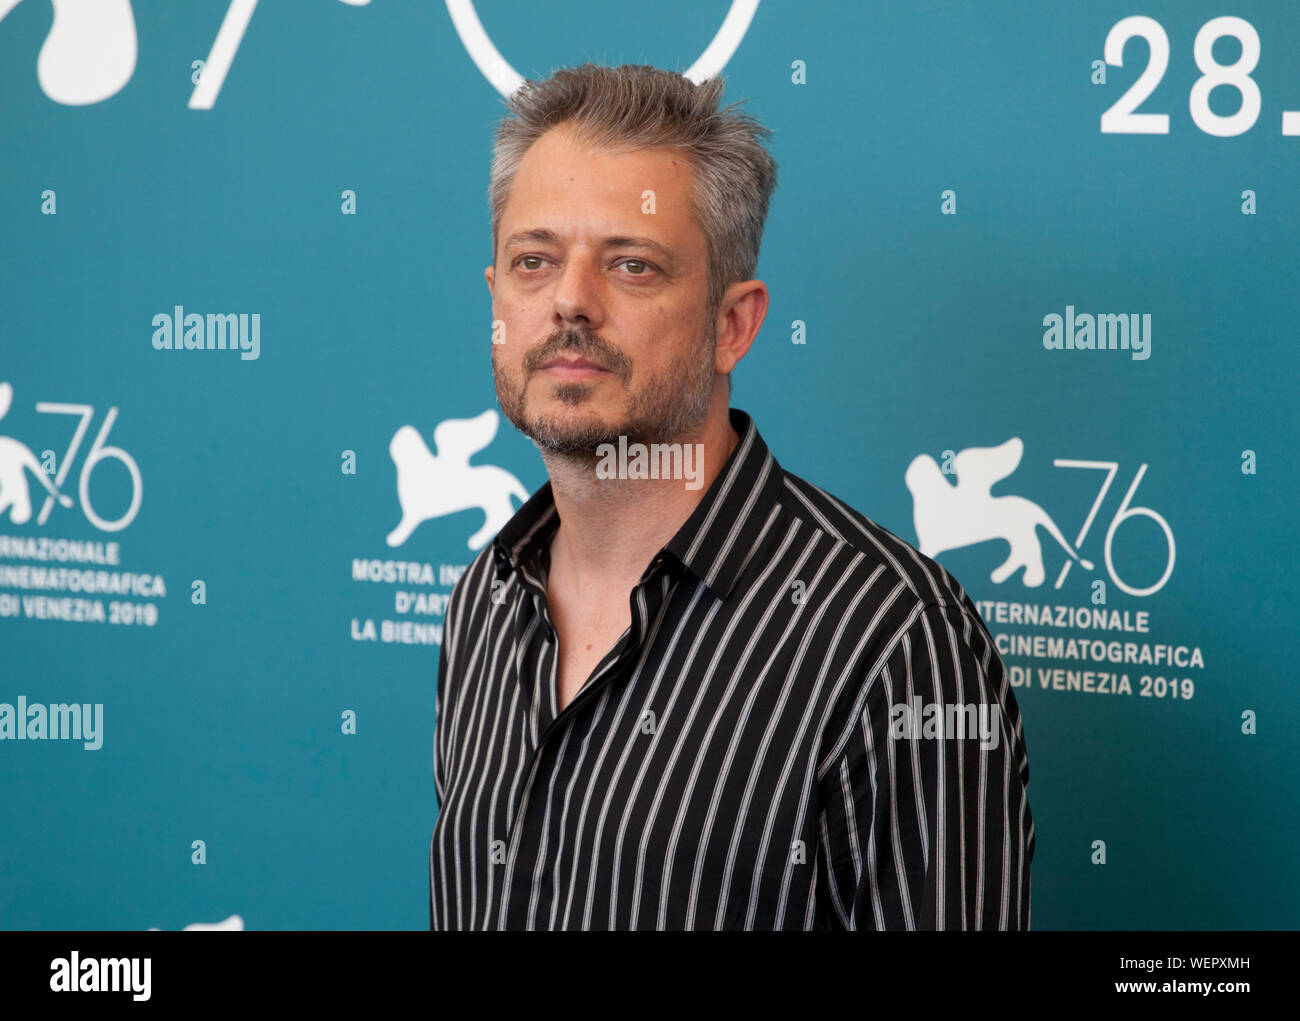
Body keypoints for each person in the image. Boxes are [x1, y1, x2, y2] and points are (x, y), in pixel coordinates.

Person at [429, 63, 1033, 930]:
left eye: (631, 266)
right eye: (535, 261)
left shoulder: (892, 642)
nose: (570, 301)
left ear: (733, 324)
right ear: (497, 300)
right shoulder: (485, 599)